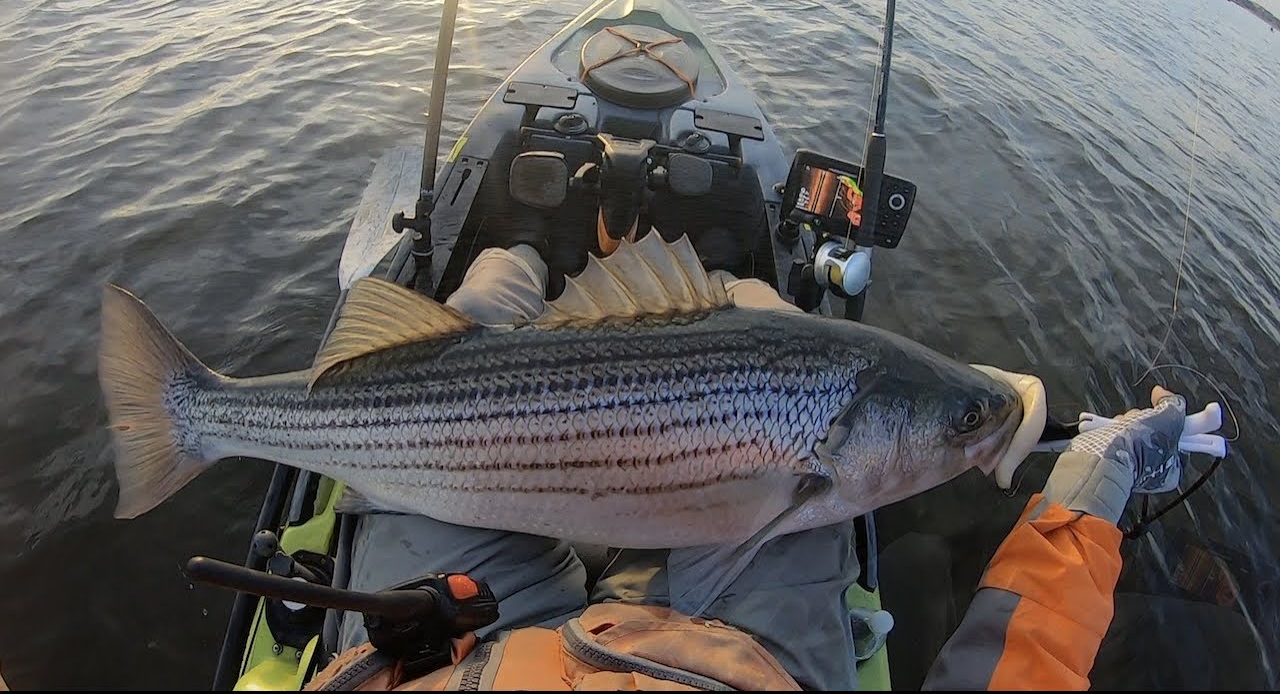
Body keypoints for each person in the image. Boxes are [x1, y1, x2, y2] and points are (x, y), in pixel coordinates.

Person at [310, 244, 1190, 691]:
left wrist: (1088, 495)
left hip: (443, 655)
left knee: (488, 290)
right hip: (735, 663)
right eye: (963, 423)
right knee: (757, 304)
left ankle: (532, 250)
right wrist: (1094, 486)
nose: (974, 432)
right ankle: (621, 265)